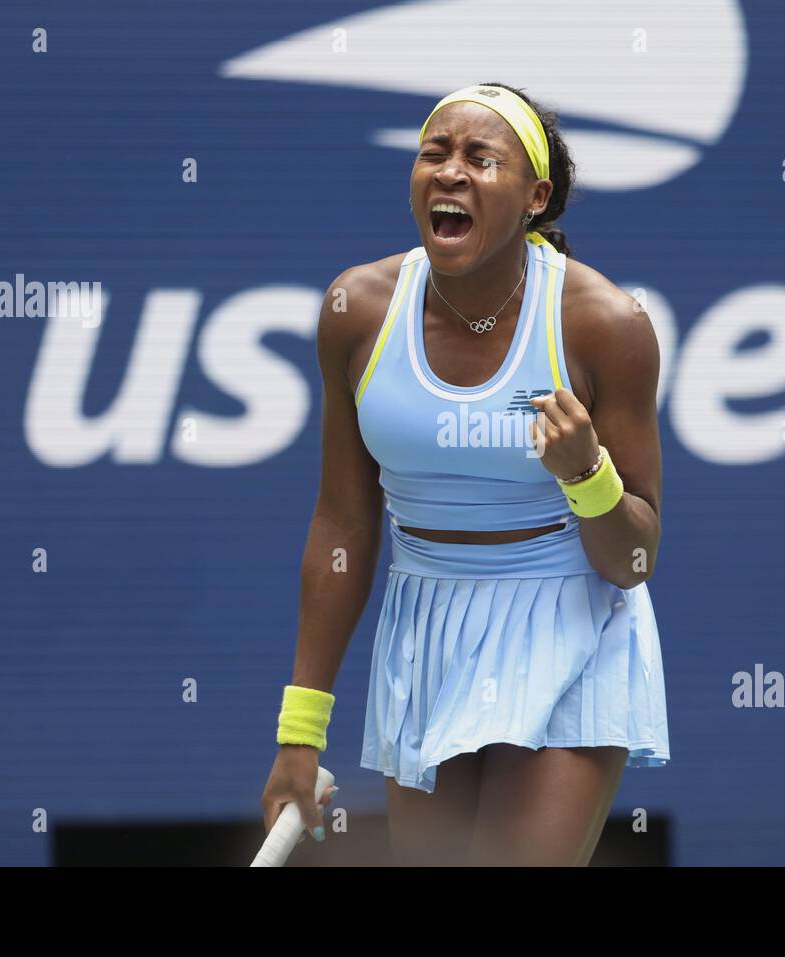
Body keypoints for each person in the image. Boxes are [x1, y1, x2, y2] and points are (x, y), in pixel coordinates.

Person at [261, 82, 669, 866]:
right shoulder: (357, 309)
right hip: (424, 632)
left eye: (481, 158)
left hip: (570, 625)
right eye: (434, 153)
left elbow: (635, 559)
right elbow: (343, 523)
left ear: (535, 198)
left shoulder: (605, 324)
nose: (450, 171)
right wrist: (299, 733)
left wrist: (587, 475)